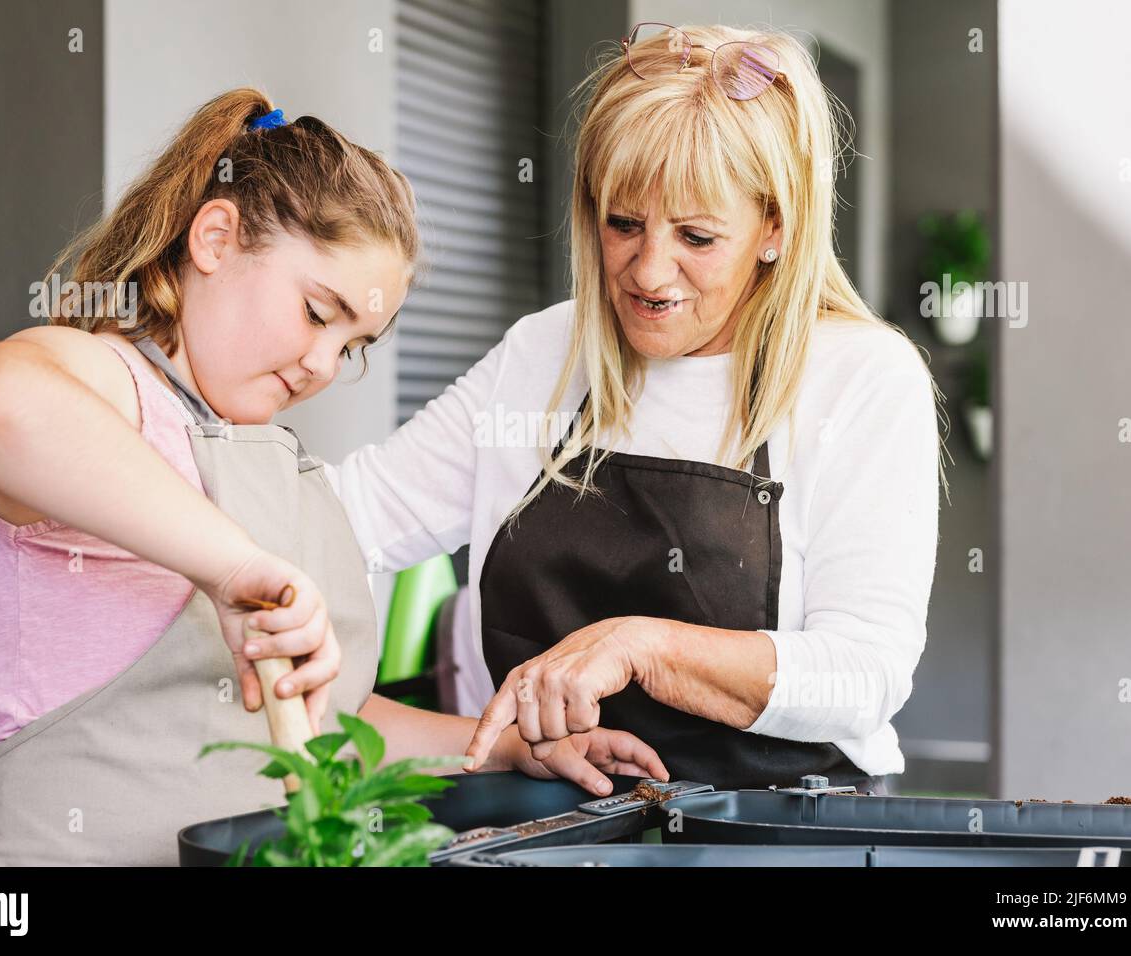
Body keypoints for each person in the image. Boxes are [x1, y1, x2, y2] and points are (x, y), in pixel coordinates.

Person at [0, 89, 664, 866]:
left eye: (354, 345)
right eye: (319, 313)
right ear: (215, 238)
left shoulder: (273, 461)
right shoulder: (108, 383)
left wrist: (501, 746)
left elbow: (315, 726)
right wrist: (234, 568)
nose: (324, 365)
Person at [329, 24, 946, 794]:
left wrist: (643, 647)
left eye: (697, 235)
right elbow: (347, 520)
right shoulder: (543, 355)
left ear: (776, 228)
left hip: (779, 831)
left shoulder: (859, 377)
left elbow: (865, 673)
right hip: (564, 820)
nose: (650, 270)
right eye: (623, 223)